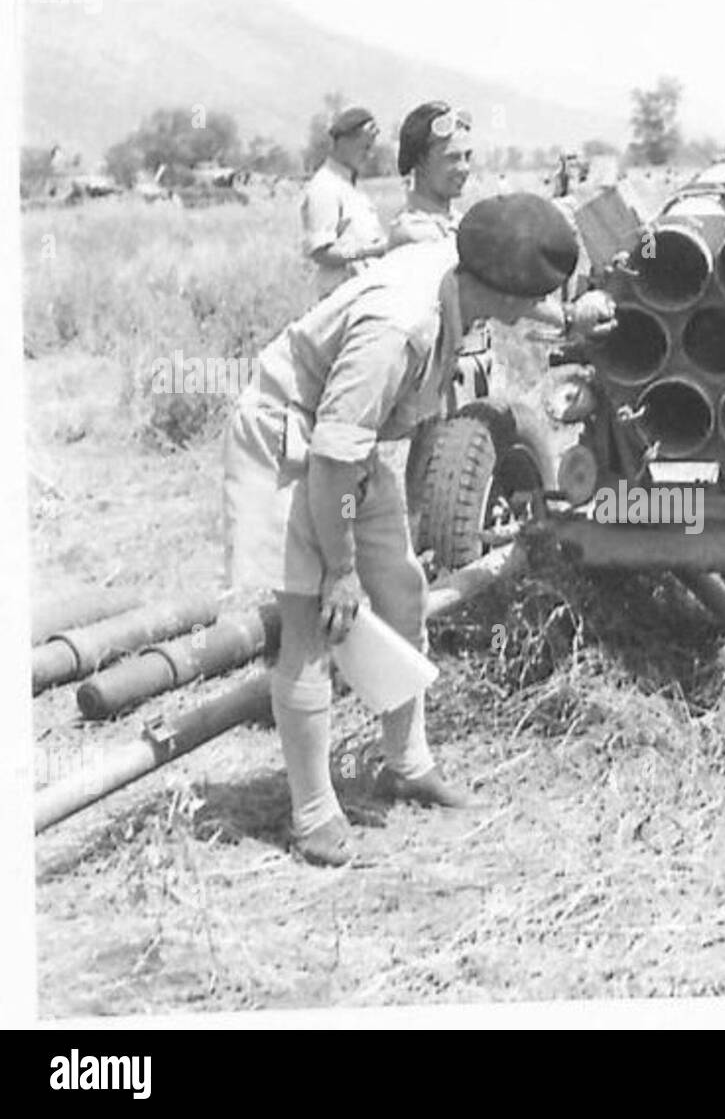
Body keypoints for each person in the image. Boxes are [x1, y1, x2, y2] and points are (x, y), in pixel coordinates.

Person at [223, 193, 617, 867]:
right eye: (529, 297)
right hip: (291, 441)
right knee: (314, 623)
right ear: (500, 286)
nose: (530, 308)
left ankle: (405, 764)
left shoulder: (461, 267)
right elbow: (329, 456)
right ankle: (314, 814)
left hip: (348, 441)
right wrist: (341, 569)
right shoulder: (398, 326)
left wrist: (572, 316)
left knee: (403, 593)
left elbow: (522, 309)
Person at [301, 106, 388, 299]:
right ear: (344, 142)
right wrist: (368, 252)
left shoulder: (350, 186)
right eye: (365, 147)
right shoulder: (324, 187)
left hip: (362, 294)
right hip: (339, 299)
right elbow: (321, 254)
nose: (369, 154)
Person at [389, 102, 474, 249]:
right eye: (452, 158)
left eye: (467, 157)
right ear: (420, 161)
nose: (464, 168)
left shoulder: (457, 222)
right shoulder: (413, 232)